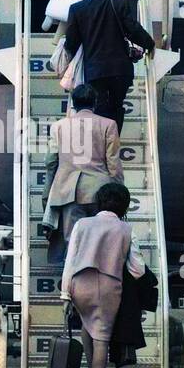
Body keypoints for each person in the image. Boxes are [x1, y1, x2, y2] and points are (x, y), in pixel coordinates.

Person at [60, 181, 145, 368]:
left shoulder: (82, 224)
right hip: (108, 288)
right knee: (102, 341)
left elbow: (70, 261)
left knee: (88, 328)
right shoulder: (127, 229)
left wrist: (65, 294)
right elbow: (137, 270)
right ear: (124, 206)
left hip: (80, 285)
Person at [62, 0, 155, 132]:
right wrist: (150, 44)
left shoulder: (77, 9)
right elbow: (133, 30)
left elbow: (71, 43)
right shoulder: (119, 3)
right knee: (117, 107)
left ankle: (102, 148)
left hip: (95, 70)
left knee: (99, 109)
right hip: (120, 69)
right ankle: (113, 142)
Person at [40, 84, 122, 263]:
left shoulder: (58, 127)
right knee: (101, 244)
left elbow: (51, 162)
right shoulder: (109, 125)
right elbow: (113, 164)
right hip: (101, 193)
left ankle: (73, 286)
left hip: (69, 193)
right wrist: (119, 195)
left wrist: (48, 193)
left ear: (73, 104)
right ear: (95, 103)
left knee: (73, 243)